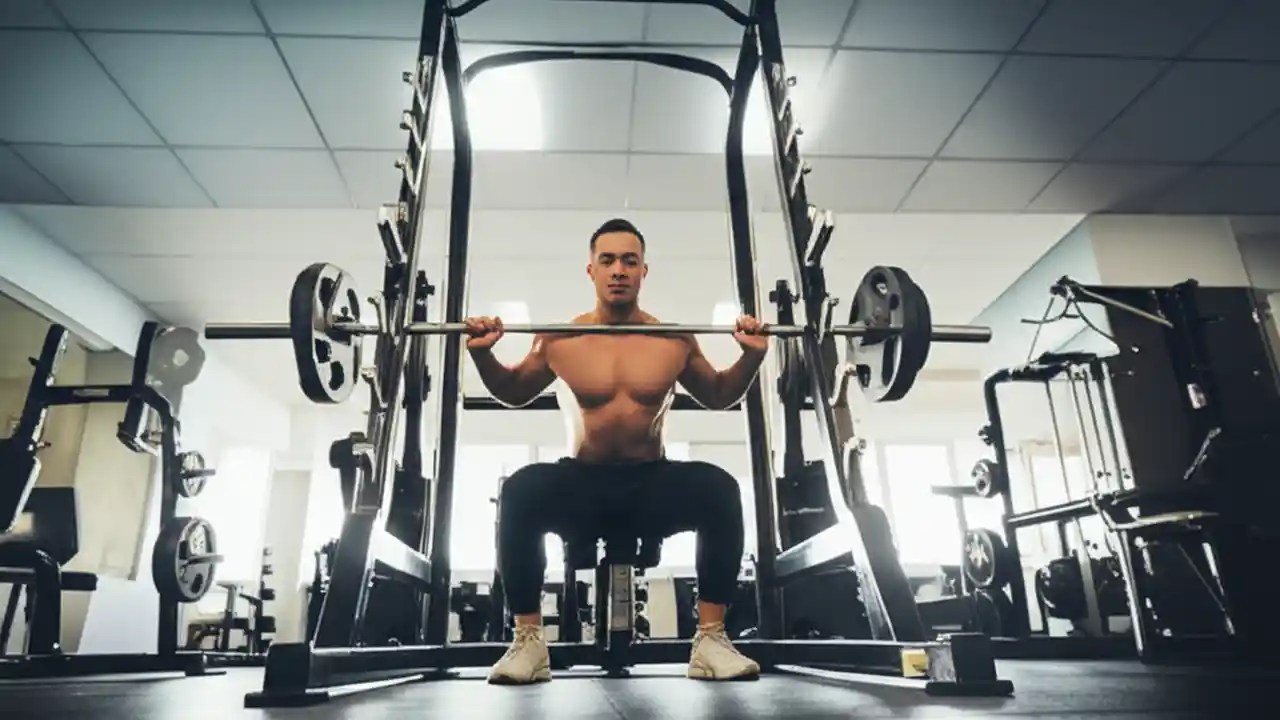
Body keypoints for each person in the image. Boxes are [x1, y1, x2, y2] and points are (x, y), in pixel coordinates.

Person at [465, 218, 768, 685]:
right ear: (591, 271)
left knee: (719, 488)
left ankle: (710, 639)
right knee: (522, 489)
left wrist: (750, 356)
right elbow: (513, 391)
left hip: (651, 481)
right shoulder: (561, 338)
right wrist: (484, 354)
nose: (619, 270)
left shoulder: (673, 339)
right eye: (607, 260)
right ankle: (528, 641)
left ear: (645, 270)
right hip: (582, 484)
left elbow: (718, 395)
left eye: (630, 260)